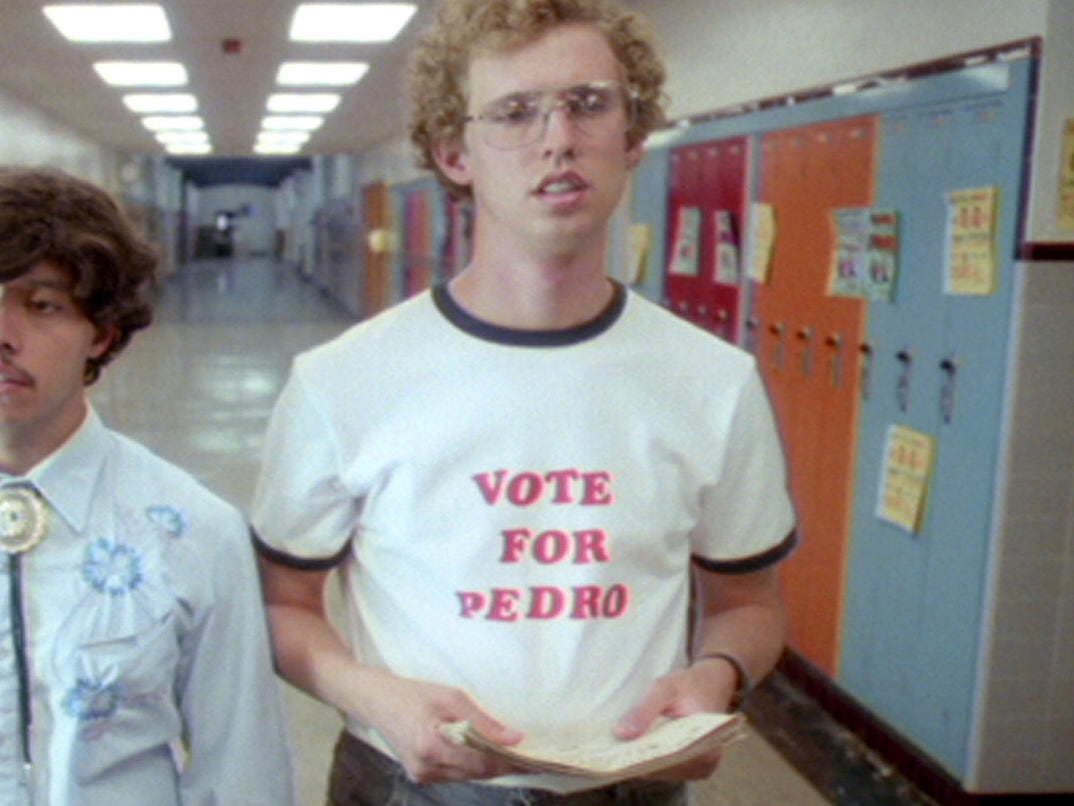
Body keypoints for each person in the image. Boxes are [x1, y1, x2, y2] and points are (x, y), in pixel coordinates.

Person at [252, 0, 797, 803]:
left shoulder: (714, 381)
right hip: (406, 788)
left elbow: (748, 601)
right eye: (514, 112)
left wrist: (717, 673)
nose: (558, 139)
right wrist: (372, 696)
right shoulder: (342, 380)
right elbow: (281, 602)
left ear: (632, 135)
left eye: (589, 104)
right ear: (455, 153)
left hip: (632, 788)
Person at [0, 167, 295, 805]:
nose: (3, 334)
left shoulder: (192, 530)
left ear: (101, 333)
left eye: (41, 305)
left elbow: (241, 770)